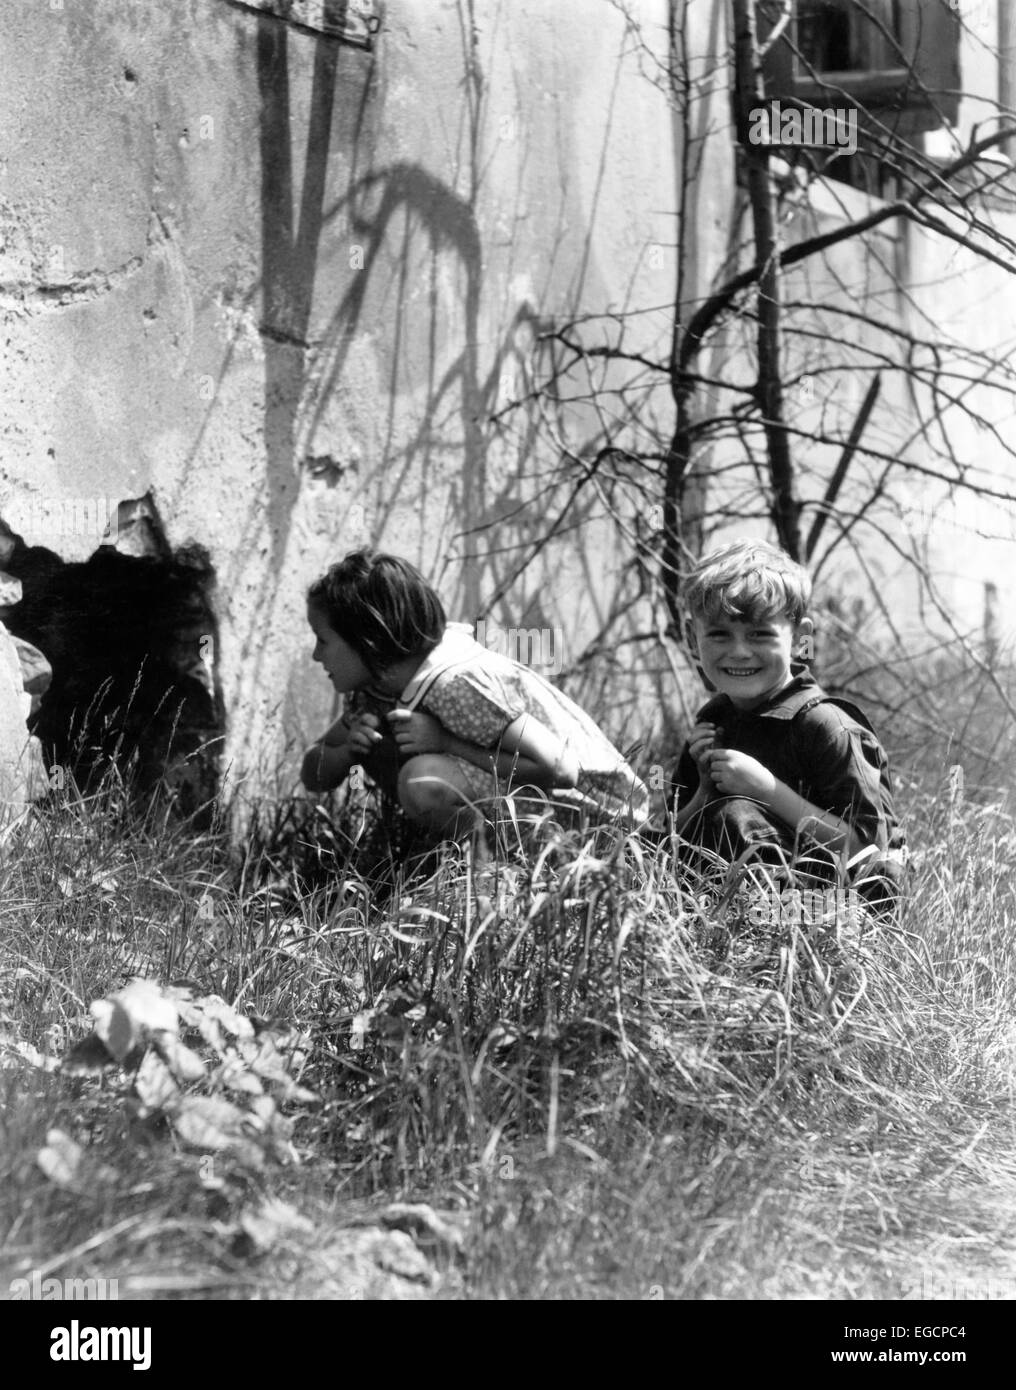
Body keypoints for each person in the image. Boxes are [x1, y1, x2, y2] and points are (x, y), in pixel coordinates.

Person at [300, 550, 648, 845]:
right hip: (544, 807)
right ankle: (459, 860)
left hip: (601, 821)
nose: (316, 657)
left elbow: (561, 770)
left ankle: (496, 876)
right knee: (390, 751)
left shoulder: (456, 684)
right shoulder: (377, 685)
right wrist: (347, 752)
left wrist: (446, 742)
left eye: (323, 641)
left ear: (368, 641)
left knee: (423, 779)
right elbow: (313, 773)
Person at [667, 538, 906, 912]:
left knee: (734, 816)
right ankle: (720, 929)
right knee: (633, 846)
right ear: (690, 637)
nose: (740, 651)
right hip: (745, 899)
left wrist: (767, 791)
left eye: (761, 634)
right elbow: (669, 840)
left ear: (799, 638)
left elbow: (866, 850)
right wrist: (703, 793)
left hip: (838, 909)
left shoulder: (826, 724)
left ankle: (757, 933)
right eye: (718, 634)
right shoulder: (711, 723)